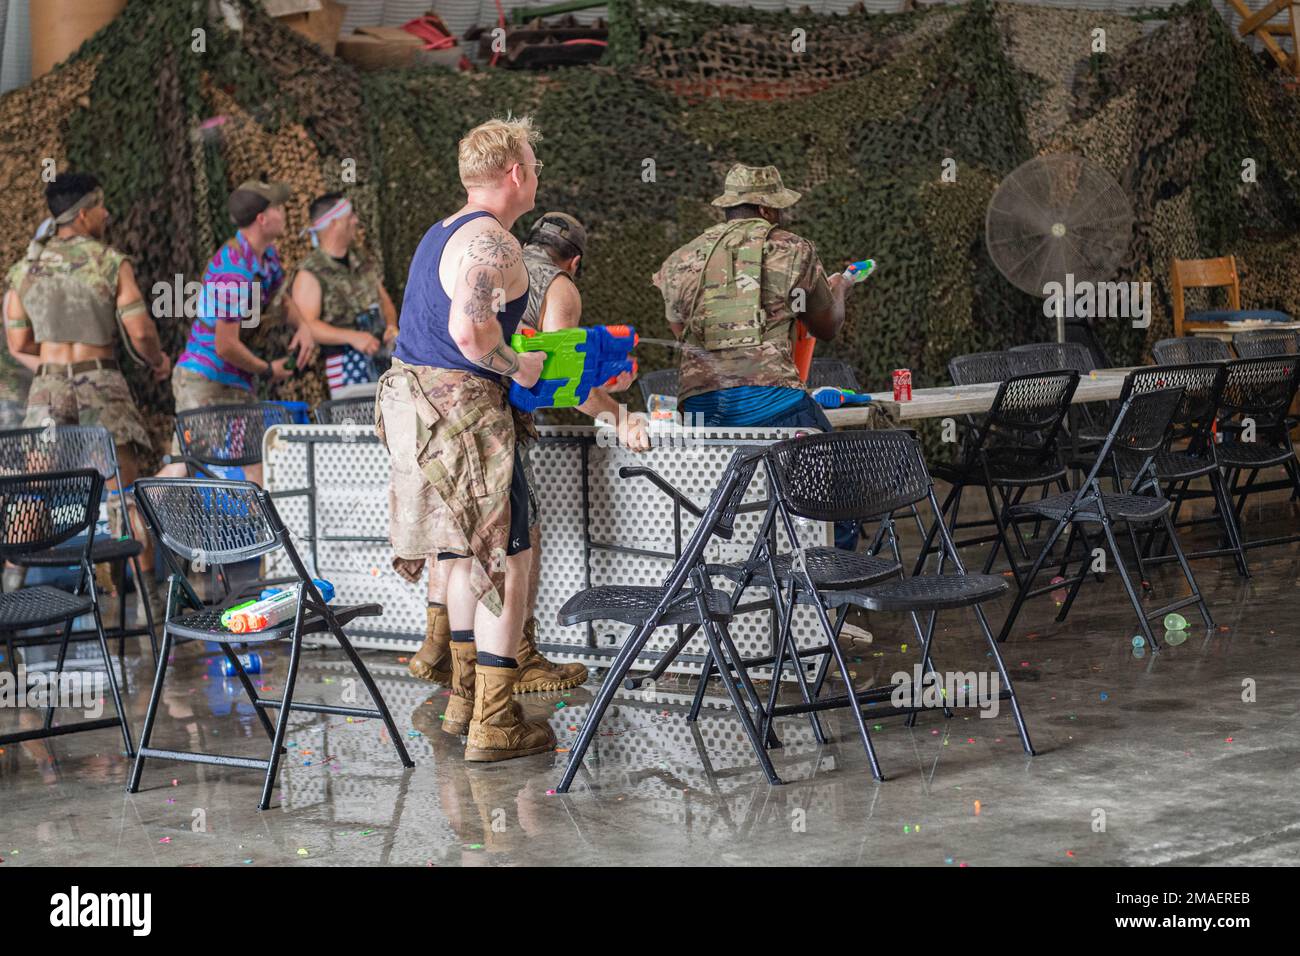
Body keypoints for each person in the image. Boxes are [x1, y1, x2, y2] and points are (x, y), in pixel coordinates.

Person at [406, 211, 648, 693]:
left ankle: (439, 648)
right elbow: (562, 381)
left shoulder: (493, 254)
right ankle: (517, 656)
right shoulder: (559, 287)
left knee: (460, 530)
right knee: (518, 536)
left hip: (432, 408)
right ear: (574, 261)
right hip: (490, 419)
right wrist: (619, 415)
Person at [376, 114, 554, 762]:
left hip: (418, 416)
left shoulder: (441, 231)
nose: (537, 175)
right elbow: (471, 332)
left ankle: (461, 702)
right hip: (465, 422)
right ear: (514, 173)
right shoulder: (494, 244)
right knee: (506, 556)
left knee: (458, 554)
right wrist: (521, 364)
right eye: (533, 164)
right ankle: (497, 722)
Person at [651, 162, 859, 550]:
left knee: (728, 513)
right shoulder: (793, 248)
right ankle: (831, 599)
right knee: (839, 499)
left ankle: (746, 594)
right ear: (766, 210)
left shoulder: (680, 259)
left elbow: (679, 331)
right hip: (774, 404)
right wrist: (840, 288)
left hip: (701, 415)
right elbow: (825, 327)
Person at [4, 172, 171, 619]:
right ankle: (151, 613)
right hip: (103, 385)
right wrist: (156, 360)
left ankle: (9, 603)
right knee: (125, 494)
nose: (107, 214)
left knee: (33, 494)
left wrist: (56, 362)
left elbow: (18, 342)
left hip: (47, 389)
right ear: (82, 214)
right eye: (101, 207)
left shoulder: (24, 270)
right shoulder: (111, 262)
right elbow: (140, 330)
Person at [163, 180, 317, 485]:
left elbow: (280, 299)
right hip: (204, 381)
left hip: (236, 382)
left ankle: (262, 531)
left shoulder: (266, 257)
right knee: (187, 465)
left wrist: (304, 328)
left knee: (256, 459)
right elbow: (226, 345)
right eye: (277, 207)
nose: (284, 212)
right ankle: (142, 522)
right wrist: (267, 370)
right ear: (263, 219)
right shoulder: (233, 270)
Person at [289, 193, 398, 398]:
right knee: (358, 424)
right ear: (334, 224)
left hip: (382, 358)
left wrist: (391, 326)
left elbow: (384, 301)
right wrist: (352, 337)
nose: (356, 220)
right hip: (345, 364)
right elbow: (307, 325)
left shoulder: (361, 259)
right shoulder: (311, 272)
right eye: (350, 217)